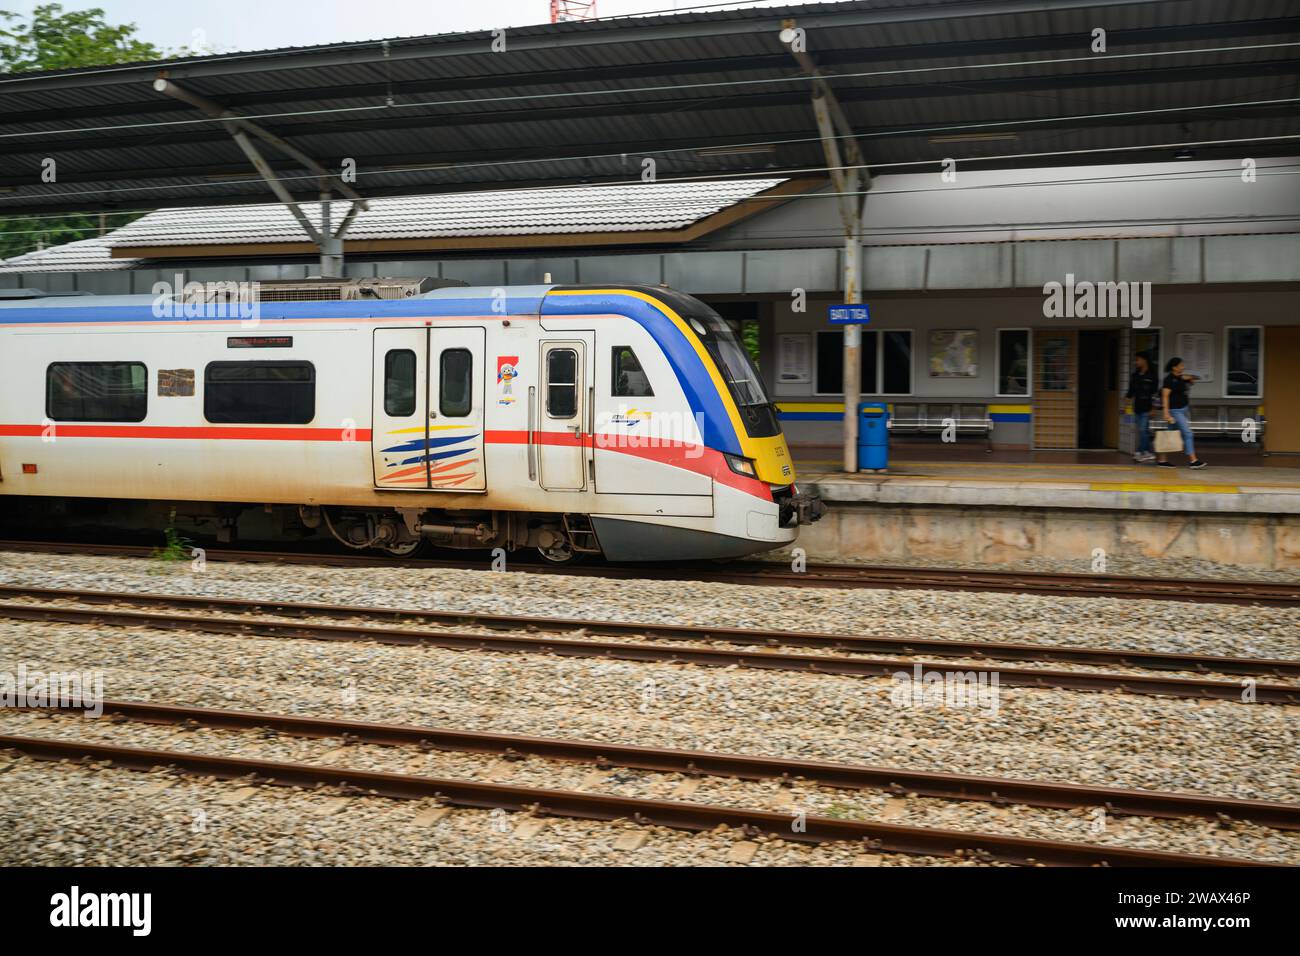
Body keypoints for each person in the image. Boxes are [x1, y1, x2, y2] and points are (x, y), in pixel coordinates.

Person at [1156, 356, 1207, 469]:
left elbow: (1188, 379)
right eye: (1181, 365)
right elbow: (1165, 396)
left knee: (1168, 434)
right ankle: (1193, 460)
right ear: (1174, 367)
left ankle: (1162, 460)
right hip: (1175, 411)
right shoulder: (1169, 379)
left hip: (1182, 410)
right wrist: (1166, 413)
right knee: (1188, 433)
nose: (1183, 367)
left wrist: (1191, 379)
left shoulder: (1179, 377)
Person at [1125, 351, 1158, 462]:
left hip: (1147, 408)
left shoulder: (1152, 375)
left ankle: (1139, 451)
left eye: (1138, 359)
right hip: (1137, 408)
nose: (1136, 362)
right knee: (1143, 431)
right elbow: (1130, 392)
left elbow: (1155, 394)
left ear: (1144, 360)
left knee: (1143, 430)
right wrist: (1126, 407)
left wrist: (1154, 408)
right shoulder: (1135, 376)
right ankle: (1148, 452)